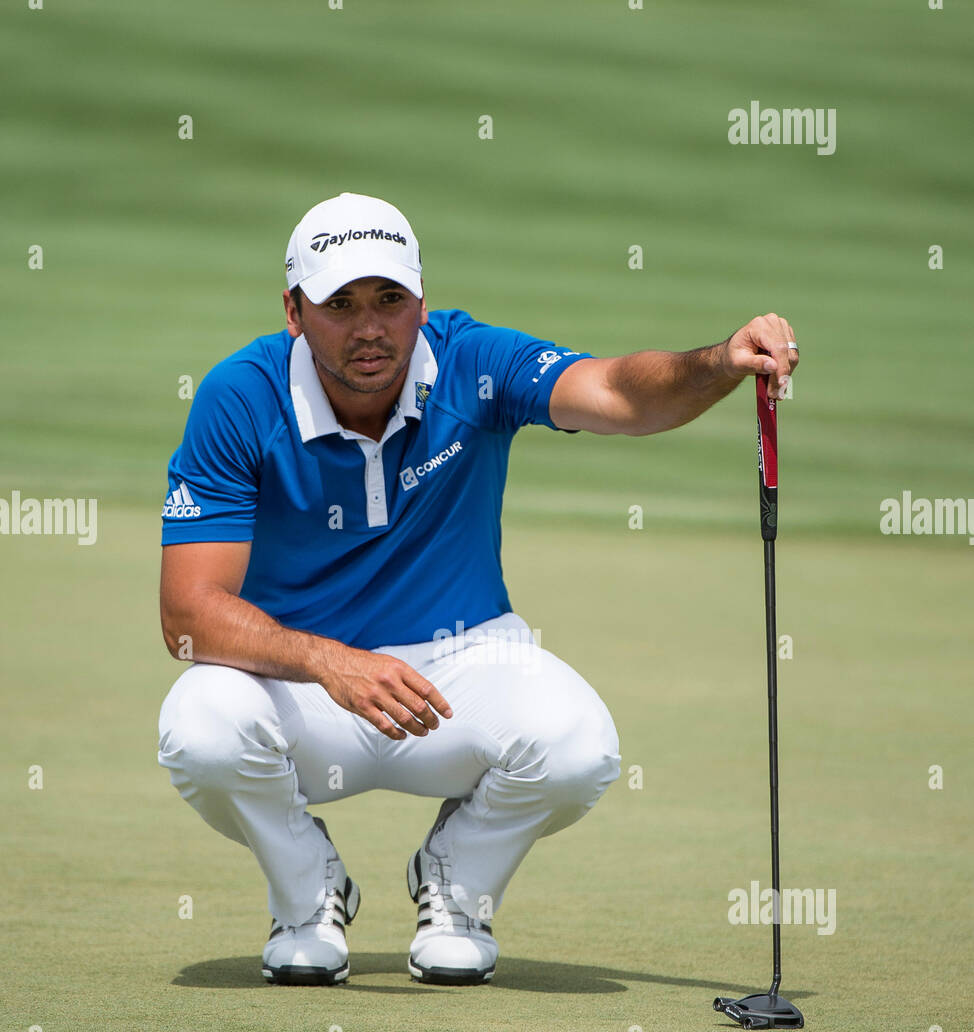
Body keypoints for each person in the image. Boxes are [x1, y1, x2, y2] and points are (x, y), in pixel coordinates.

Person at [158, 191, 799, 988]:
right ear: (293, 311)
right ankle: (307, 897)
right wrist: (333, 662)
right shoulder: (240, 395)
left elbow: (620, 395)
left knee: (579, 746)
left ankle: (455, 888)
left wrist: (719, 362)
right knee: (199, 724)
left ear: (421, 303)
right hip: (304, 690)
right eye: (340, 304)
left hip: (460, 667)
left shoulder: (471, 361)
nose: (369, 327)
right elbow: (189, 617)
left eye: (390, 300)